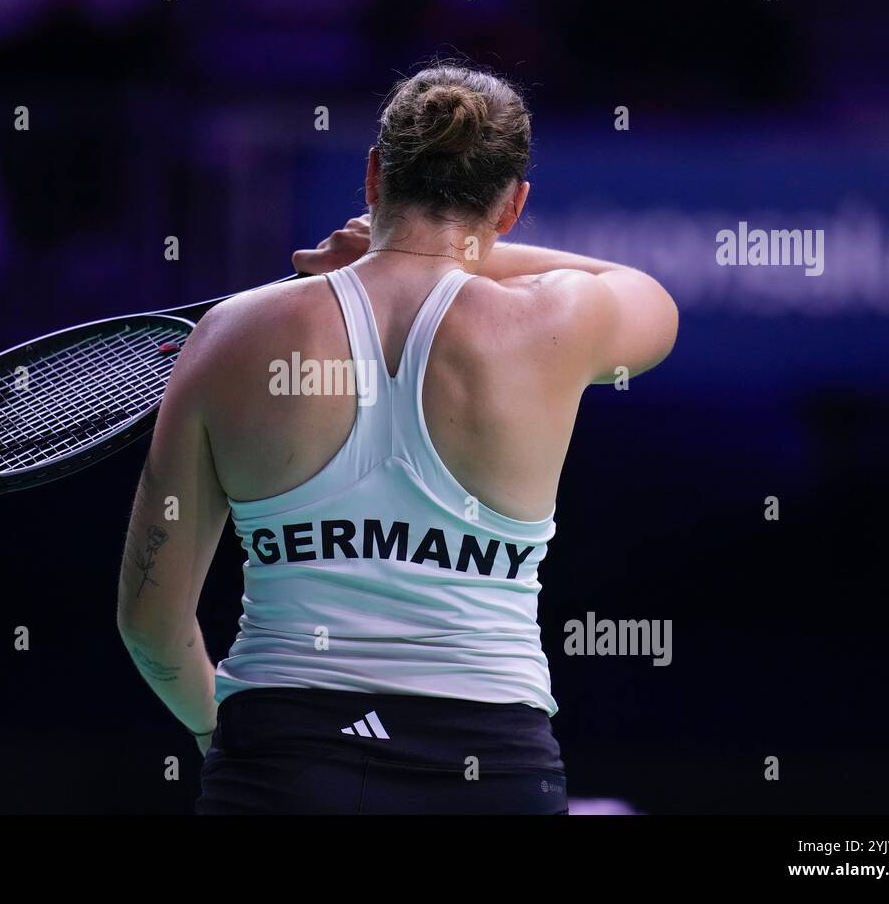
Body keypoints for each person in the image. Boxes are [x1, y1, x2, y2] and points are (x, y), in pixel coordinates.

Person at [116, 60, 678, 813]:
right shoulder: (558, 322)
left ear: (375, 175)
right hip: (488, 771)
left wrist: (218, 732)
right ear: (513, 206)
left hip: (280, 763)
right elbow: (645, 291)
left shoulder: (228, 337)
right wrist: (443, 254)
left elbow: (149, 622)